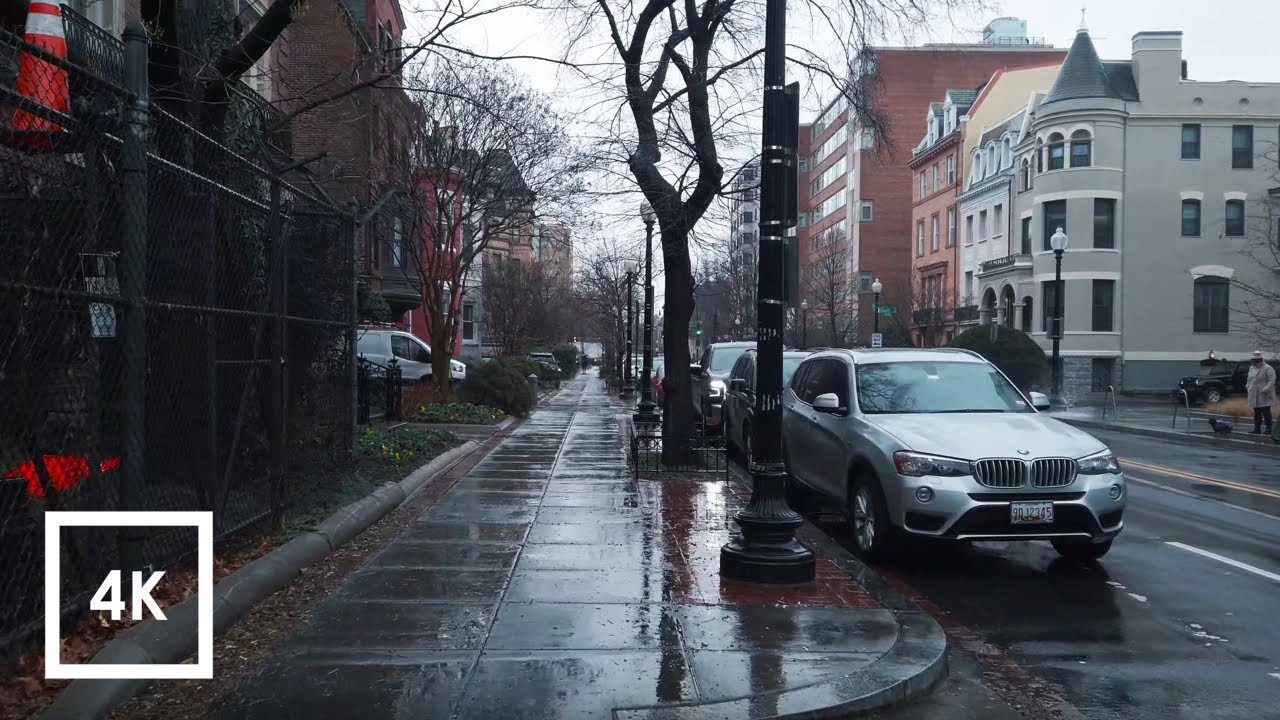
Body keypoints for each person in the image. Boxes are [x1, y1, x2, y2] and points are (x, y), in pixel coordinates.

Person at [1245, 350, 1276, 436]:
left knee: (1266, 412)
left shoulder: (1267, 368)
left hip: (1264, 394)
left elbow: (1272, 380)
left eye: (1256, 360)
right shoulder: (1251, 368)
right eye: (1253, 360)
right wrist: (1248, 386)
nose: (1254, 362)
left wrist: (1266, 389)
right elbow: (1249, 379)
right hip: (1254, 393)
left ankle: (1269, 429)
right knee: (1256, 412)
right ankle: (1257, 429)